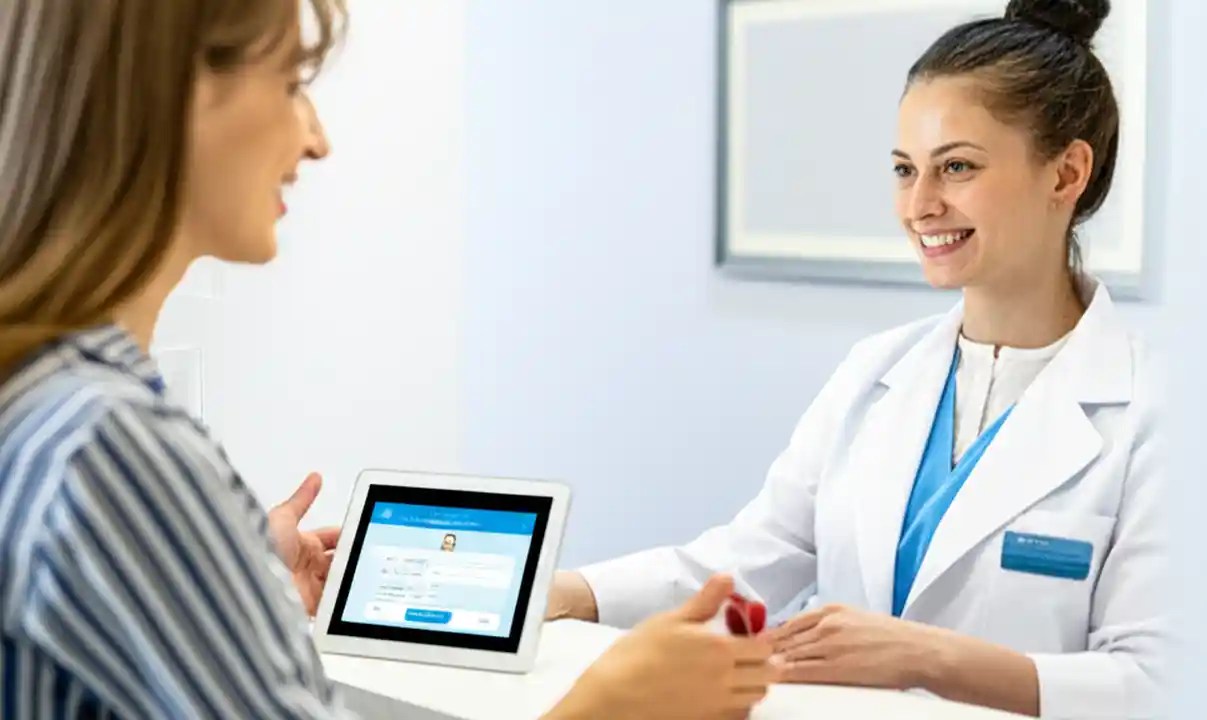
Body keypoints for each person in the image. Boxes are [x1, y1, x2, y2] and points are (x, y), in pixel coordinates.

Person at [0, 2, 775, 718]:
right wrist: (611, 706)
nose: (317, 139)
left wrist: (228, 569)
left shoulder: (47, 401)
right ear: (169, 98)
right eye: (293, 85)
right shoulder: (108, 442)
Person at [548, 1, 1168, 717]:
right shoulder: (875, 373)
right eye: (906, 170)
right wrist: (571, 595)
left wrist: (923, 654)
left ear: (1066, 175)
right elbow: (753, 559)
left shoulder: (1158, 415)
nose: (920, 204)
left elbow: (1156, 683)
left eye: (956, 167)